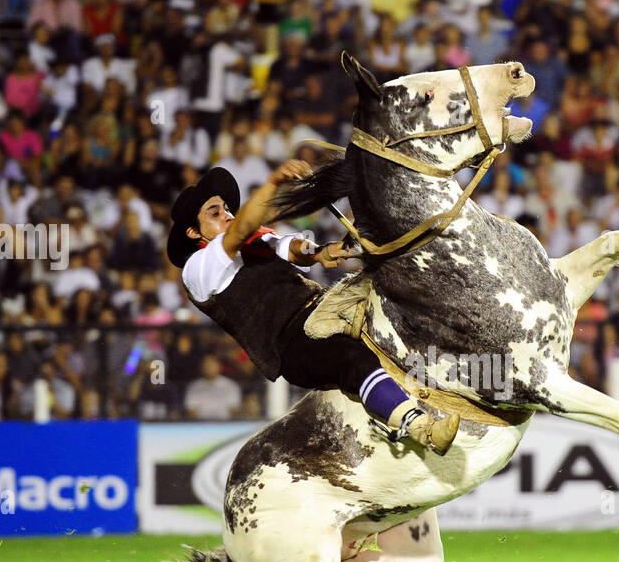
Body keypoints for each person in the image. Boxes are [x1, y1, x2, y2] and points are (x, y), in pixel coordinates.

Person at [167, 162, 459, 453]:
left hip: (325, 307)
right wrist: (274, 182)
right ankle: (422, 430)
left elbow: (292, 247)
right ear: (194, 233)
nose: (228, 215)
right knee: (351, 358)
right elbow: (241, 228)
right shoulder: (197, 269)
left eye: (228, 209)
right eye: (215, 213)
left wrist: (318, 252)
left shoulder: (256, 240)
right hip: (292, 345)